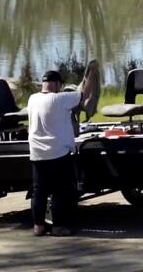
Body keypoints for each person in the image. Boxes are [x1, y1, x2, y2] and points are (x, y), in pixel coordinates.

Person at [27, 68, 93, 236]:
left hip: (36, 152)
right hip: (57, 152)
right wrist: (89, 75)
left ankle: (38, 226)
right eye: (61, 86)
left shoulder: (32, 99)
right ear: (56, 85)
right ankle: (58, 227)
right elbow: (82, 93)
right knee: (60, 191)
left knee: (38, 191)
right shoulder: (60, 99)